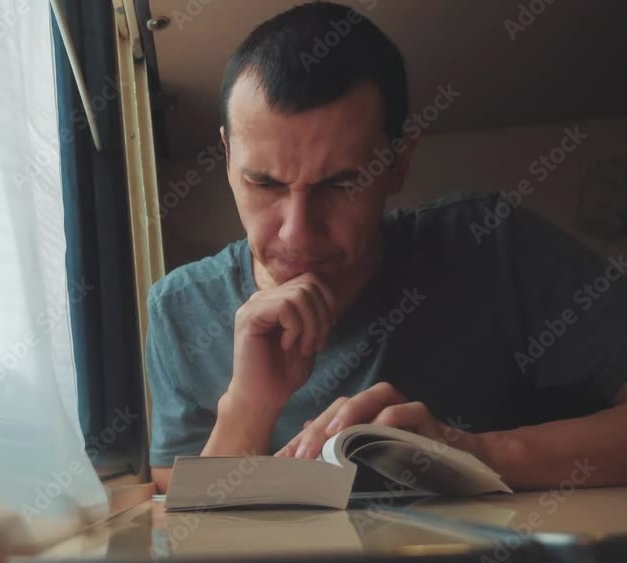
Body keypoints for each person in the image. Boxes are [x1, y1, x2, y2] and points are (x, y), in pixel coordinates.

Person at [146, 1, 627, 493]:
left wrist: (472, 455)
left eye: (340, 184)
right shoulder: (179, 309)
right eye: (264, 183)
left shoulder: (492, 244)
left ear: (398, 164)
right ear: (227, 157)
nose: (297, 234)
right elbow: (172, 500)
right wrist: (248, 408)